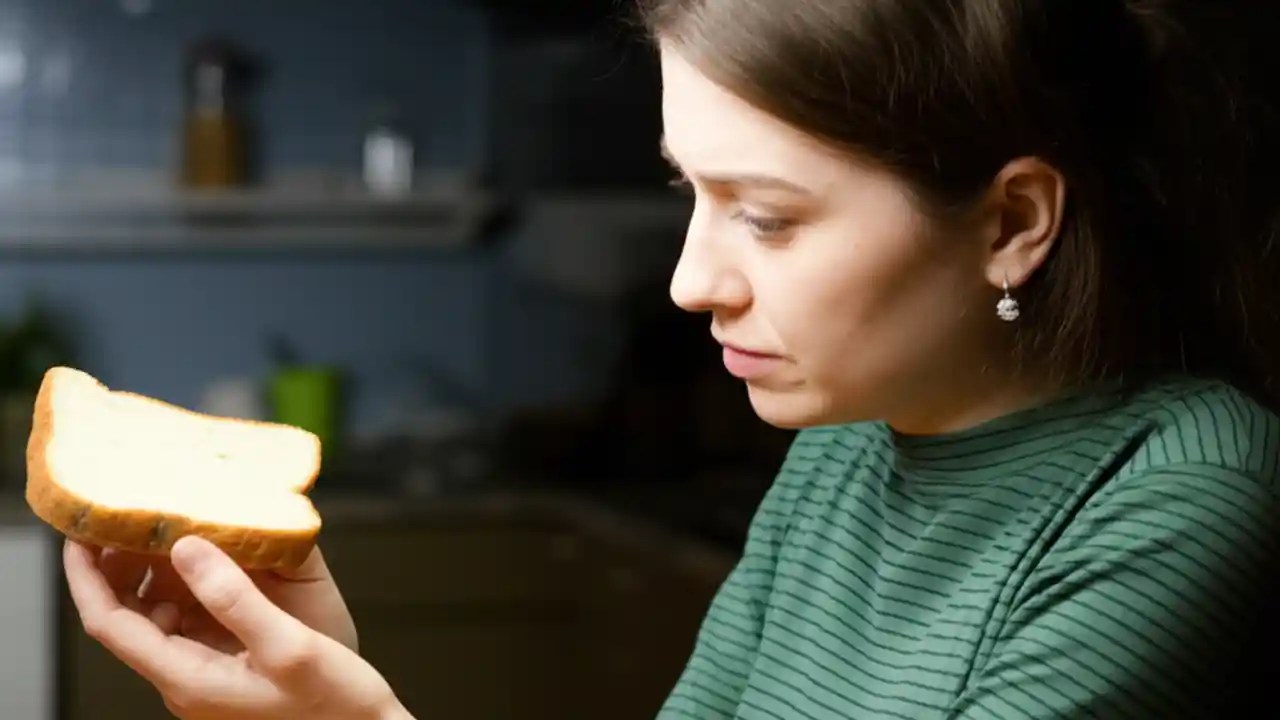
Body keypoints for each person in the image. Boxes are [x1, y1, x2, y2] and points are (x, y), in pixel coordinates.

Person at [63, 0, 1280, 718]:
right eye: (685, 192)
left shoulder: (1183, 493)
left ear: (1012, 223)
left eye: (763, 214)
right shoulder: (845, 451)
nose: (690, 279)